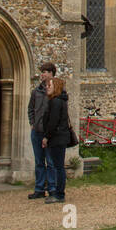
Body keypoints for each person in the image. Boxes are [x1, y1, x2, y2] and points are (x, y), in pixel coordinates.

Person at [38, 76, 71, 204]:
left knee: (58, 167)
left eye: (49, 85)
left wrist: (46, 137)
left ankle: (59, 194)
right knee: (58, 166)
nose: (47, 87)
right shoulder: (59, 101)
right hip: (59, 137)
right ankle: (58, 193)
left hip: (57, 138)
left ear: (55, 87)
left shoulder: (56, 102)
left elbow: (53, 122)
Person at [27, 62, 57, 200]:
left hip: (49, 133)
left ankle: (52, 188)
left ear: (51, 74)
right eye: (42, 71)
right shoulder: (36, 92)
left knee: (50, 162)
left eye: (45, 71)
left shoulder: (56, 91)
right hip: (36, 132)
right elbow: (30, 109)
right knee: (39, 162)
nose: (42, 74)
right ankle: (39, 188)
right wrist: (32, 123)